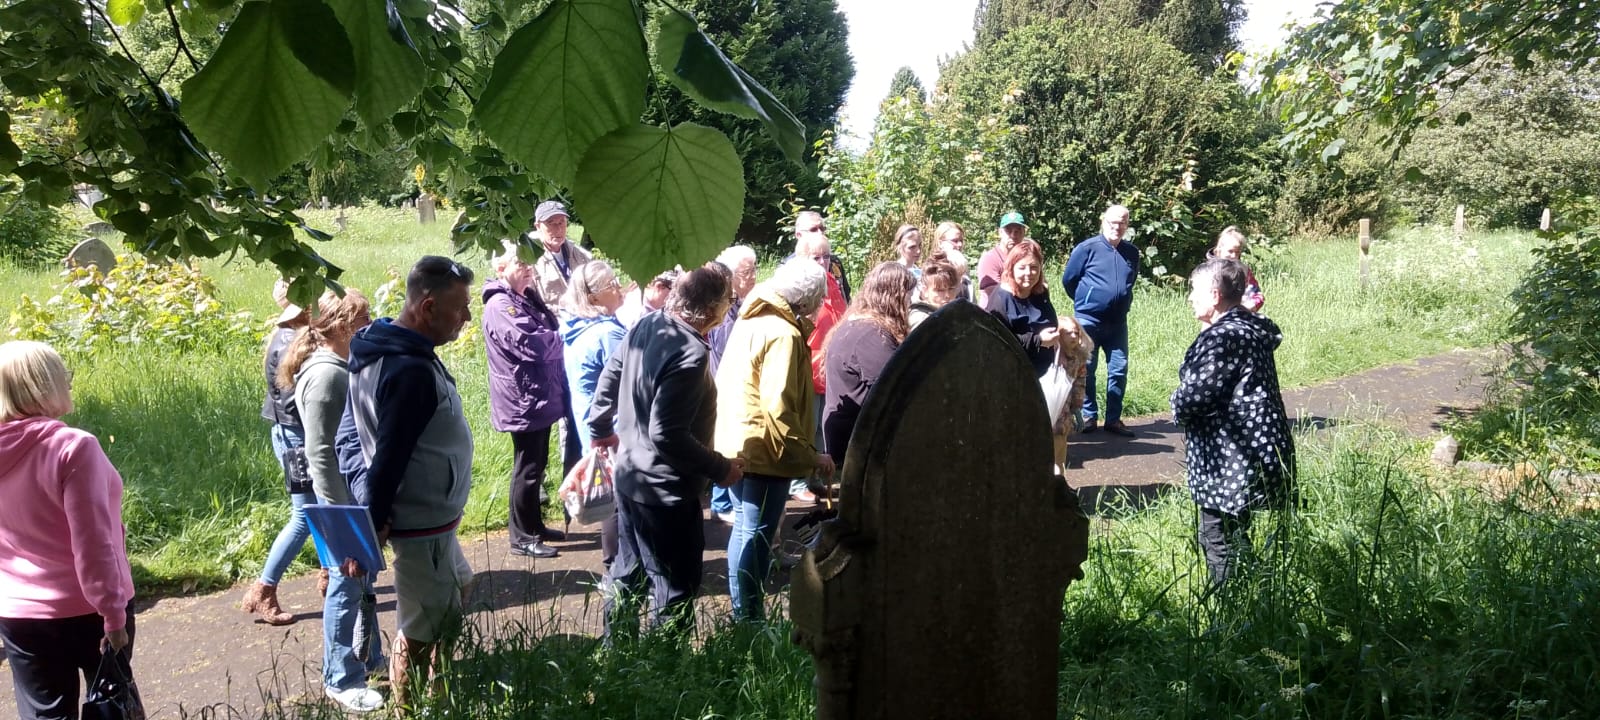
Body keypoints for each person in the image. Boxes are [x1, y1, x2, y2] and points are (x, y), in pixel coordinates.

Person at [347, 256, 477, 707]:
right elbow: (390, 455)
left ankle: (437, 691)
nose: (467, 317)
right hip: (421, 523)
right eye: (460, 307)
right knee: (421, 632)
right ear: (426, 308)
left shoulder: (383, 347)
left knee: (457, 592)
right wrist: (372, 522)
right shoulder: (409, 370)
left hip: (435, 521)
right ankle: (414, 707)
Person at [588, 268, 742, 638]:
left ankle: (618, 655)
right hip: (666, 492)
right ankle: (665, 669)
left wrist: (600, 426)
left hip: (631, 478)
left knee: (627, 573)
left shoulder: (651, 323)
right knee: (675, 587)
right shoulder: (689, 353)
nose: (730, 308)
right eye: (729, 300)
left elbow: (611, 373)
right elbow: (667, 434)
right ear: (712, 308)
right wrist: (721, 469)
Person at [0, 341, 137, 720]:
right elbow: (93, 542)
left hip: (18, 612)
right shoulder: (73, 447)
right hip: (88, 610)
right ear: (44, 386)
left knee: (45, 715)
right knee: (112, 707)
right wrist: (113, 615)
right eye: (64, 376)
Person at [274, 289, 385, 713]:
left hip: (355, 500)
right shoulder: (325, 376)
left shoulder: (339, 365)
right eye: (363, 319)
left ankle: (368, 657)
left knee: (363, 581)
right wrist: (343, 517)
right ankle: (341, 676)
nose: (370, 325)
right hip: (342, 505)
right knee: (346, 583)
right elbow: (321, 453)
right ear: (341, 325)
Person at [713, 258, 834, 622]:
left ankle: (744, 614)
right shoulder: (782, 333)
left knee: (745, 529)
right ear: (809, 298)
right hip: (765, 450)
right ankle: (748, 618)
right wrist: (809, 454)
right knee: (756, 534)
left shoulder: (753, 318)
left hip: (738, 440)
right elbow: (778, 405)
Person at [1171, 259, 1294, 589]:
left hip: (1231, 458)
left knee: (1219, 538)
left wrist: (1176, 400)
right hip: (1255, 449)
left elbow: (1193, 398)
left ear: (1214, 295)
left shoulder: (1223, 338)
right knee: (1234, 534)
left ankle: (1232, 622)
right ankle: (1255, 603)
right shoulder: (1250, 328)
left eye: (1194, 291)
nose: (1190, 298)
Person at [483, 242, 570, 559]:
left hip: (538, 394)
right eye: (520, 262)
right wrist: (565, 339)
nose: (528, 266)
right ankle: (521, 536)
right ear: (501, 268)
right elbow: (529, 343)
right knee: (527, 467)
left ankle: (535, 525)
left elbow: (549, 326)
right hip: (523, 397)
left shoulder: (524, 296)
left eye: (529, 261)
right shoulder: (500, 305)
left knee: (538, 464)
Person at [241, 281, 313, 626]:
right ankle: (264, 589)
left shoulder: (283, 334)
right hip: (296, 439)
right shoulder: (297, 342)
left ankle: (331, 574)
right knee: (304, 516)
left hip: (287, 434)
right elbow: (293, 404)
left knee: (322, 510)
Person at [560, 260, 628, 566]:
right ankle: (619, 567)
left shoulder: (576, 329)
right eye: (611, 284)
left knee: (610, 496)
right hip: (612, 428)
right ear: (594, 297)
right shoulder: (606, 335)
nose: (619, 288)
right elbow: (630, 382)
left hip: (589, 423)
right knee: (619, 499)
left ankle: (614, 563)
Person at [822, 262, 916, 468]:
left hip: (851, 433)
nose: (911, 302)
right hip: (856, 441)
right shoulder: (871, 335)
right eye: (908, 295)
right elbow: (893, 389)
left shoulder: (857, 323)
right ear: (895, 297)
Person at [1061, 204, 1139, 437]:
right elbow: (1069, 280)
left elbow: (1130, 280)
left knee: (1119, 369)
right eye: (1113, 222)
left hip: (1117, 323)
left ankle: (1113, 419)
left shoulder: (1131, 252)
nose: (1117, 227)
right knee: (1088, 369)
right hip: (1089, 320)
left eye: (1122, 222)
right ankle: (1089, 416)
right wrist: (1087, 300)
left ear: (1127, 225)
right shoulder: (1086, 249)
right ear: (1104, 221)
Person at [792, 231, 847, 504]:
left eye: (826, 256)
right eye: (816, 256)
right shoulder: (801, 286)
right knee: (804, 426)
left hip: (827, 369)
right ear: (803, 258)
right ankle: (796, 482)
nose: (823, 261)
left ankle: (814, 479)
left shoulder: (831, 283)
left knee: (820, 429)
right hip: (807, 368)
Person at [706, 246, 759, 524]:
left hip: (728, 386)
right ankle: (720, 501)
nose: (752, 276)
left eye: (754, 270)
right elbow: (729, 351)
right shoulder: (727, 311)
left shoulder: (738, 304)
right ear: (730, 276)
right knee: (724, 442)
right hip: (724, 387)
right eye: (746, 272)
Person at [985, 240, 1061, 378]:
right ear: (1011, 269)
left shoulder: (1040, 292)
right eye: (1022, 268)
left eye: (1034, 267)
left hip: (1044, 372)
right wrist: (1039, 340)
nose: (1029, 273)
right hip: (1012, 375)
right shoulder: (1000, 299)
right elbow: (996, 341)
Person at [529, 200, 593, 307]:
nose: (558, 229)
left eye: (561, 222)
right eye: (551, 223)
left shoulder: (581, 255)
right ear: (538, 226)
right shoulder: (530, 257)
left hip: (582, 316)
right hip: (550, 320)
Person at [791, 211, 852, 301]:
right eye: (813, 229)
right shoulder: (789, 268)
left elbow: (847, 298)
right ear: (799, 235)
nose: (820, 233)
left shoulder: (834, 262)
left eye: (822, 228)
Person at [977, 211, 1027, 305]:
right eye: (1008, 231)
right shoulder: (990, 259)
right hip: (994, 313)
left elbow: (1041, 286)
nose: (1013, 235)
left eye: (1018, 231)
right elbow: (993, 293)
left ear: (1024, 233)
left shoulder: (1027, 258)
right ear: (1000, 232)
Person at [1208, 226, 1264, 312]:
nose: (1234, 256)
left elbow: (1257, 295)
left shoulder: (1243, 270)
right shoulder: (1208, 270)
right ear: (1219, 250)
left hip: (1239, 314)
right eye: (1230, 251)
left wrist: (1249, 306)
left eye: (1237, 252)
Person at [910, 253, 966, 328]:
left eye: (951, 289)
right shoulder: (920, 319)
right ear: (925, 291)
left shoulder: (958, 314)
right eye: (940, 290)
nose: (947, 295)